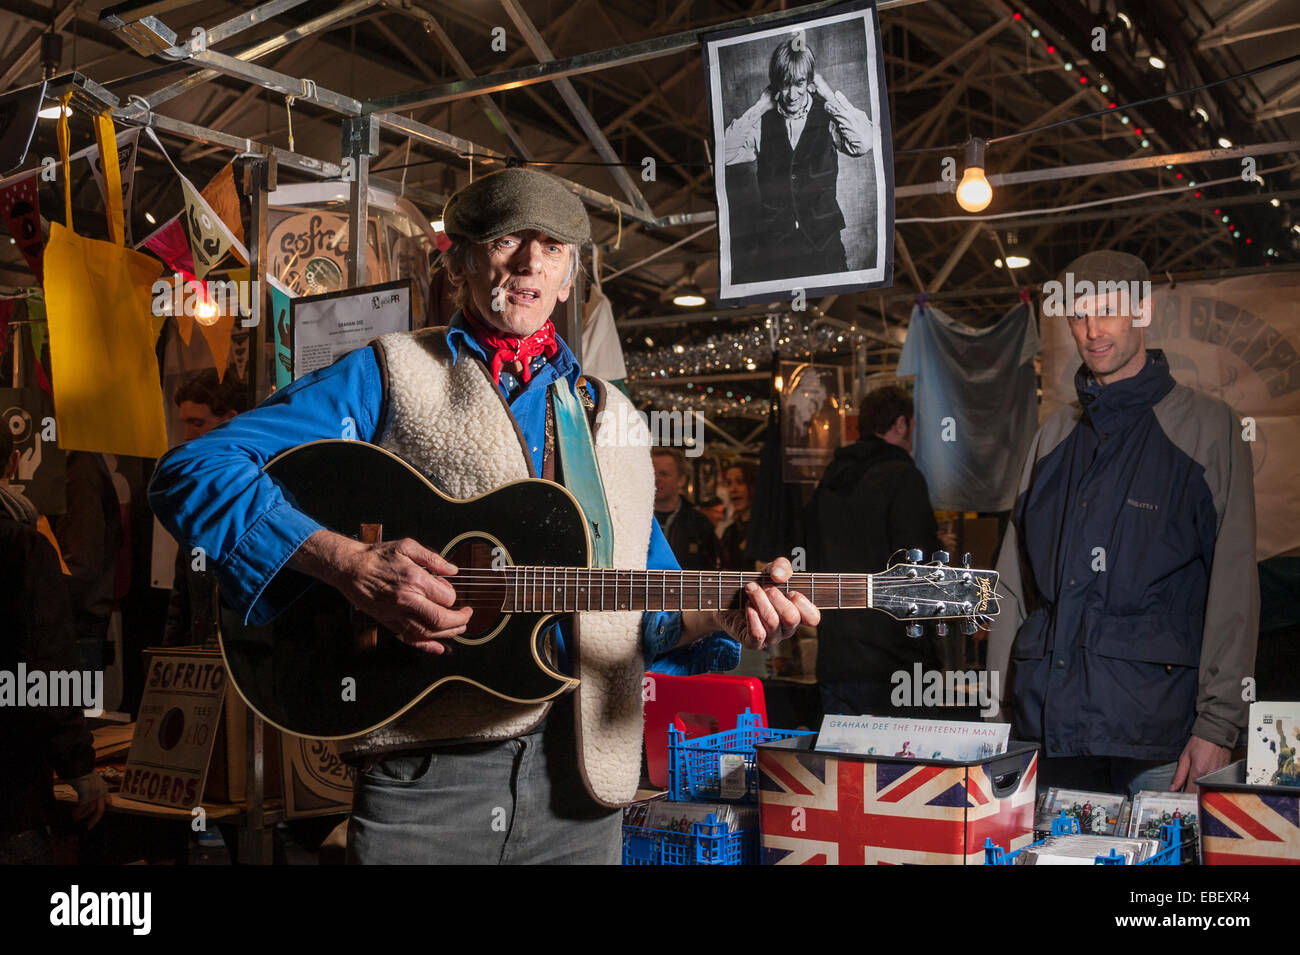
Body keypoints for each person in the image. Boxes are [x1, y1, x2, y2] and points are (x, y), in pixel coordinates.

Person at [149, 167, 820, 865]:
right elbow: (192, 470)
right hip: (427, 785)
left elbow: (638, 610)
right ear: (461, 261)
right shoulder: (388, 371)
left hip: (583, 792)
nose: (531, 261)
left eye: (553, 247)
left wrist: (722, 614)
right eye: (507, 240)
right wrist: (344, 563)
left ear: (568, 279)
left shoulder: (611, 419)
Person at [987, 251, 1258, 796]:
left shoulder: (1208, 428)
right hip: (1048, 730)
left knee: (1156, 880)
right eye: (1079, 314)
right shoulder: (1052, 436)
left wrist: (1218, 725)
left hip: (1158, 737)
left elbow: (1233, 589)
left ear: (1143, 310)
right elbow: (1010, 586)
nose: (1092, 330)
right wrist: (995, 717)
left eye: (1107, 311)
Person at [1, 429, 109, 862]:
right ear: (13, 465)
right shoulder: (23, 546)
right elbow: (48, 666)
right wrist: (79, 767)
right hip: (11, 793)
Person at [805, 386, 945, 718]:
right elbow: (918, 569)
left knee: (843, 766)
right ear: (900, 424)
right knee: (902, 766)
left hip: (837, 655)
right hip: (894, 660)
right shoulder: (902, 476)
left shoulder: (829, 480)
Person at [723, 37, 875, 281]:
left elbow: (864, 143)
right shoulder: (761, 125)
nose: (792, 94)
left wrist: (828, 95)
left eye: (799, 83)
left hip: (825, 249)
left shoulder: (828, 118)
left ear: (810, 81)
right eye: (785, 85)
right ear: (775, 85)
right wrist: (760, 107)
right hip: (776, 254)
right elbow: (722, 155)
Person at [162, 369, 248, 648]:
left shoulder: (257, 484)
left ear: (230, 420)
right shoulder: (197, 489)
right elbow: (182, 592)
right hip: (203, 649)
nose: (188, 435)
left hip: (247, 654)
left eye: (197, 422)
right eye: (185, 423)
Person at [652, 448, 722, 571]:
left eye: (664, 473)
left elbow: (712, 568)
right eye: (652, 473)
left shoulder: (699, 523)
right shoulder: (632, 519)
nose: (656, 479)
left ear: (681, 480)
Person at [719, 460, 757, 571]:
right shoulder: (730, 532)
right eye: (729, 483)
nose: (733, 489)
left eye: (740, 482)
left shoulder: (766, 530)